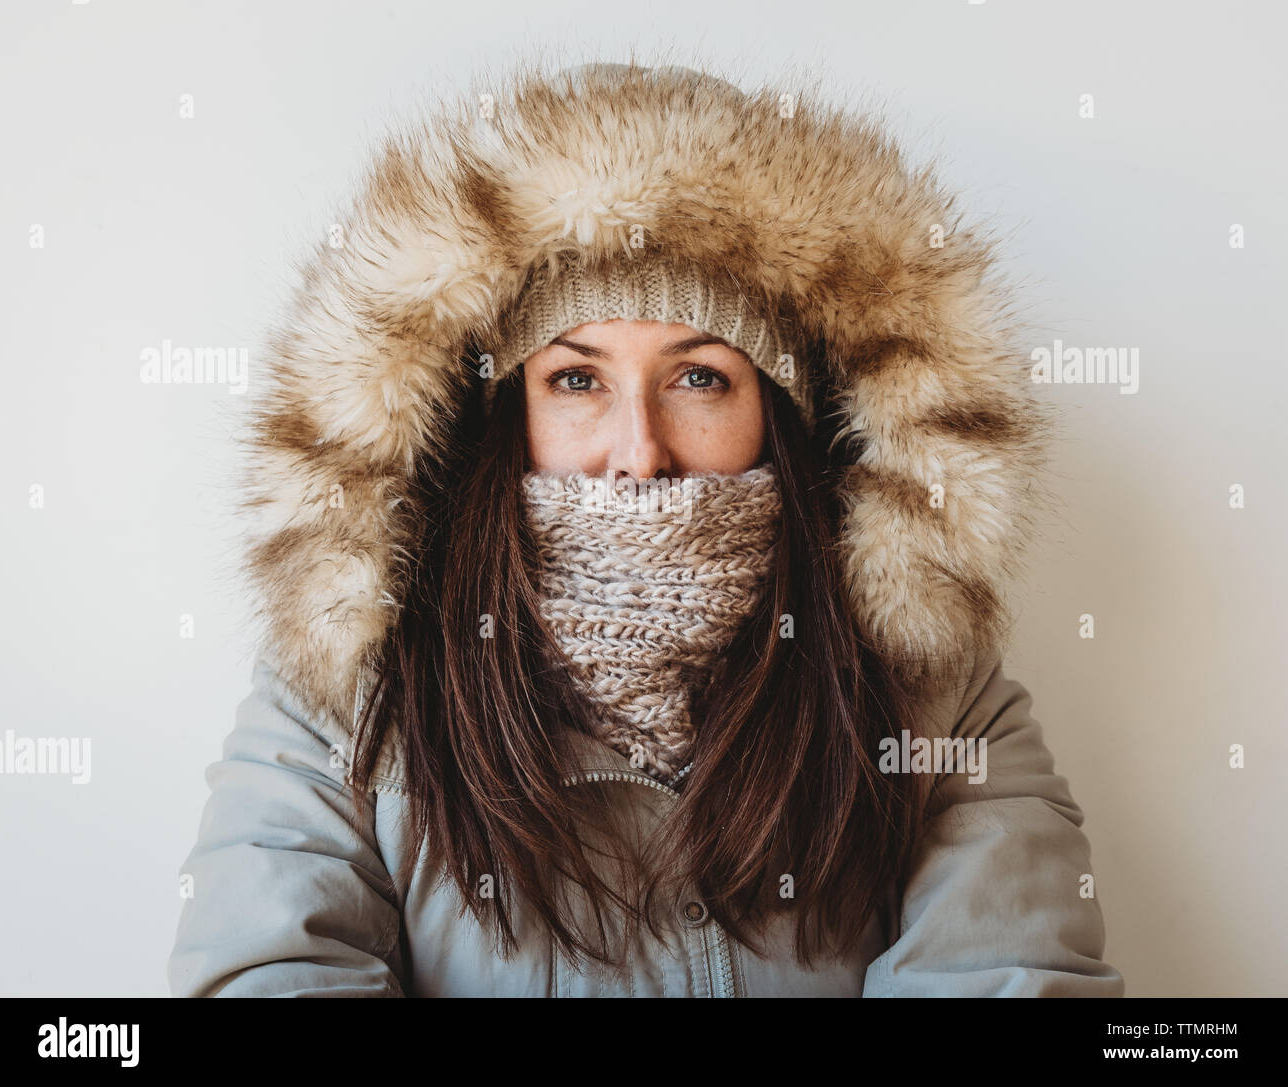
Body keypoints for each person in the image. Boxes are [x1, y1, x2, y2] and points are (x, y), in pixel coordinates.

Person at [167, 59, 1125, 997]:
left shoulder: (936, 697)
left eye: (700, 376)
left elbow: (1015, 976)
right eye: (577, 379)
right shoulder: (346, 691)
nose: (639, 450)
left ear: (777, 415)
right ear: (512, 413)